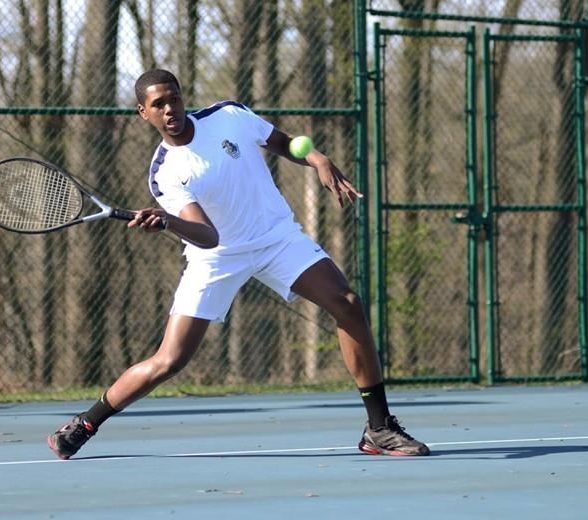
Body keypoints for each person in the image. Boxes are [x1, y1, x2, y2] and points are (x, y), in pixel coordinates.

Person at [47, 69, 429, 460]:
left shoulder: (228, 115)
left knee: (347, 303)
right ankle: (86, 422)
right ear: (143, 113)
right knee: (169, 360)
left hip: (276, 237)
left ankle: (379, 428)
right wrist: (167, 221)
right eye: (158, 104)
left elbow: (283, 141)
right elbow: (207, 236)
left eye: (174, 98)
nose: (169, 109)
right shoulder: (165, 173)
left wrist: (317, 158)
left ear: (182, 97)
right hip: (216, 257)